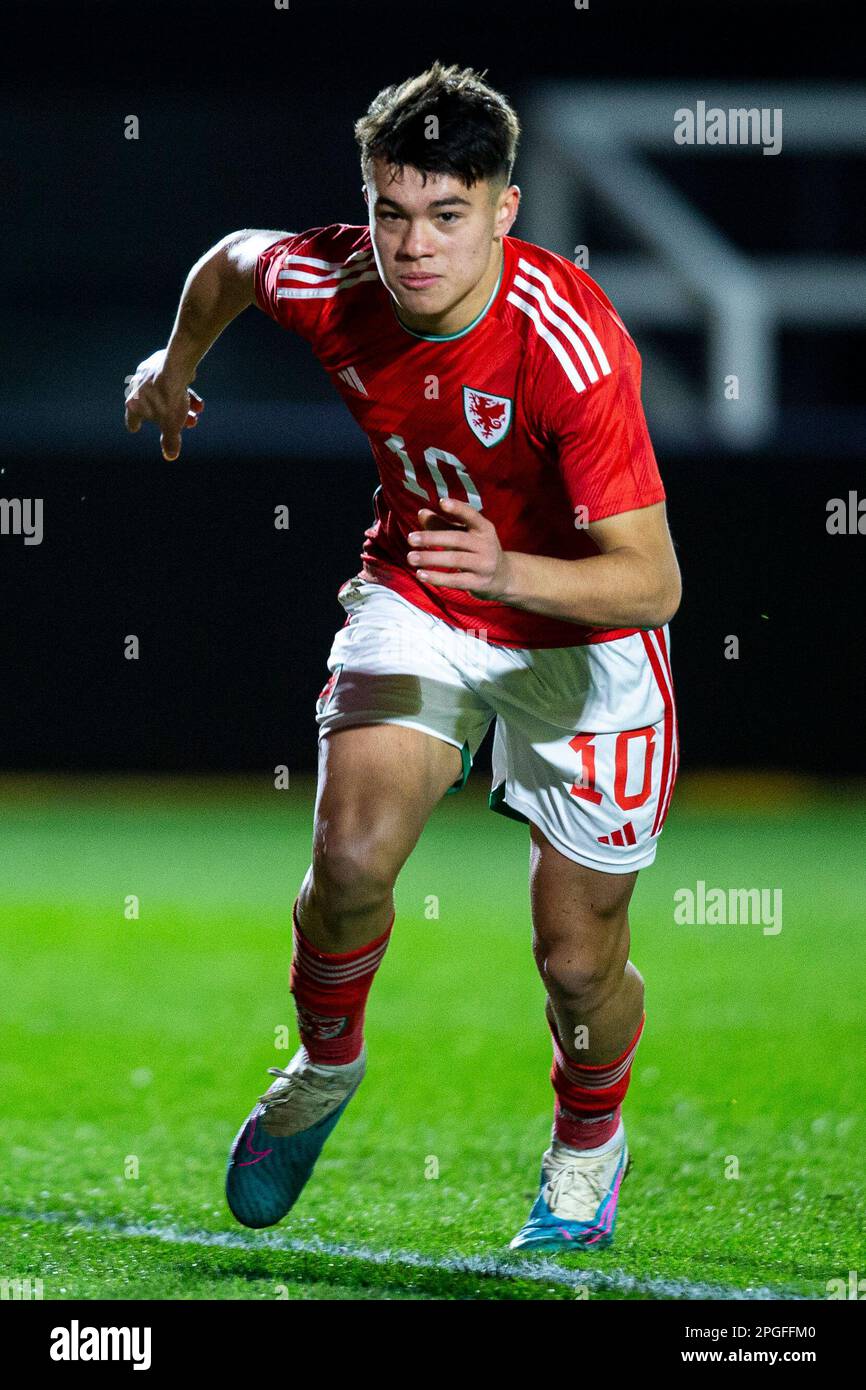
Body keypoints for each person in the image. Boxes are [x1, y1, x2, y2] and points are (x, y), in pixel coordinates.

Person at [123, 61, 681, 1253]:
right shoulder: (335, 278)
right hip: (421, 594)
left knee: (578, 961)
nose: (412, 245)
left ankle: (587, 1146)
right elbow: (227, 259)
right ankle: (323, 1070)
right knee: (350, 855)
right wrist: (173, 373)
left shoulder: (570, 349)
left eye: (446, 214)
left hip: (579, 635)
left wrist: (511, 571)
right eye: (391, 210)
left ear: (504, 210)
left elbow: (652, 580)